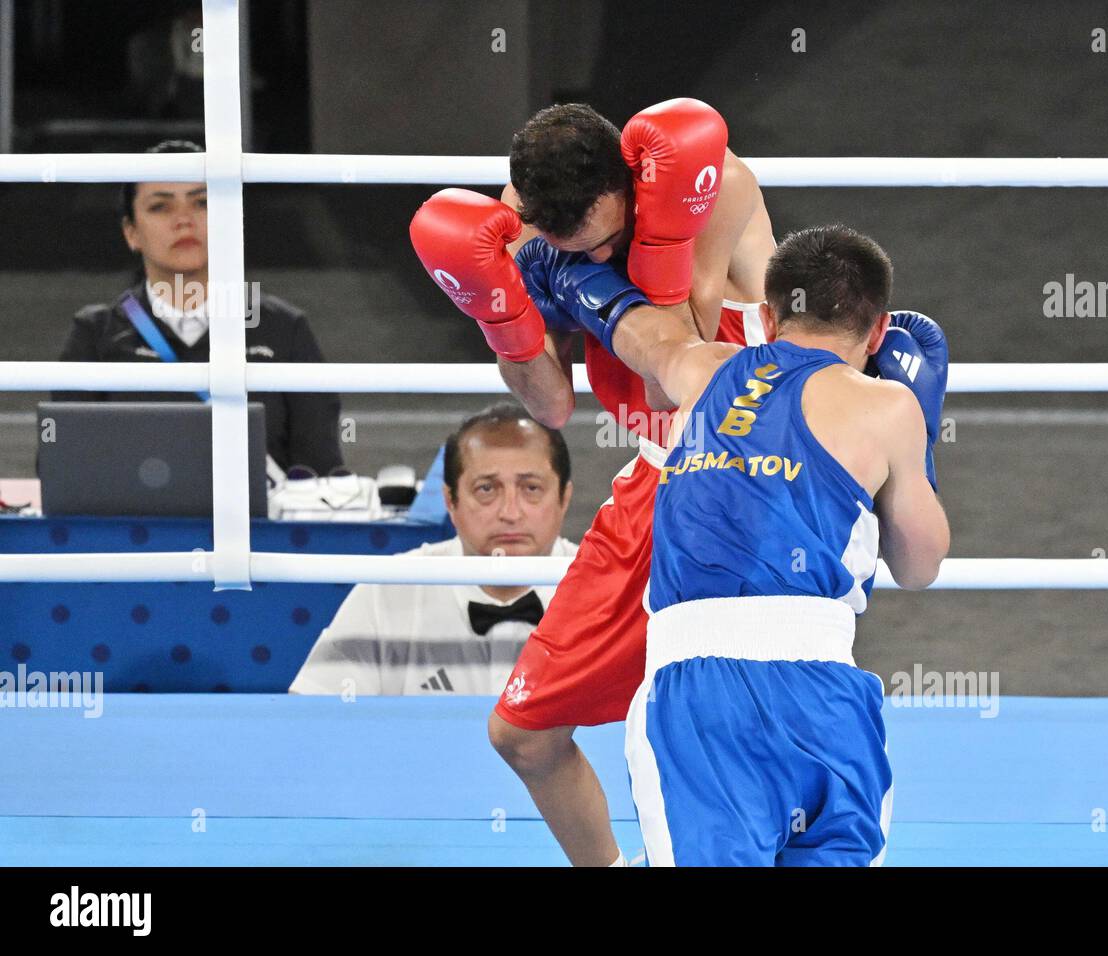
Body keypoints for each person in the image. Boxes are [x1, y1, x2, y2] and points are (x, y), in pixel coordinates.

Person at [411, 97, 776, 866]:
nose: (603, 255)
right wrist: (501, 316)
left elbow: (678, 380)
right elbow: (549, 405)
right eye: (577, 251)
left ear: (628, 181)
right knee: (523, 732)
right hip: (654, 483)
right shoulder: (521, 229)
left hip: (744, 484)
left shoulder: (712, 185)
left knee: (719, 734)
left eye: (612, 238)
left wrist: (602, 283)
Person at [519, 224, 951, 865]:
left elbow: (629, 324)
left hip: (697, 699)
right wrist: (921, 432)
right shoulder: (889, 407)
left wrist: (561, 271)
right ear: (879, 330)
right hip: (827, 699)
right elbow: (918, 566)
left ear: (768, 319)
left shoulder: (699, 369)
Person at [52, 139, 344, 477]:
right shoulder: (94, 334)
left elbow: (322, 473)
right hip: (132, 514)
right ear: (131, 233)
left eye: (202, 203)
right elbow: (61, 469)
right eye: (160, 207)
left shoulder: (285, 329)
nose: (184, 221)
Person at [289, 404, 578, 696]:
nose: (510, 513)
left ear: (563, 499)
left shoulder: (603, 591)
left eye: (531, 488)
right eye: (486, 489)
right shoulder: (387, 590)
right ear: (450, 501)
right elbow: (313, 713)